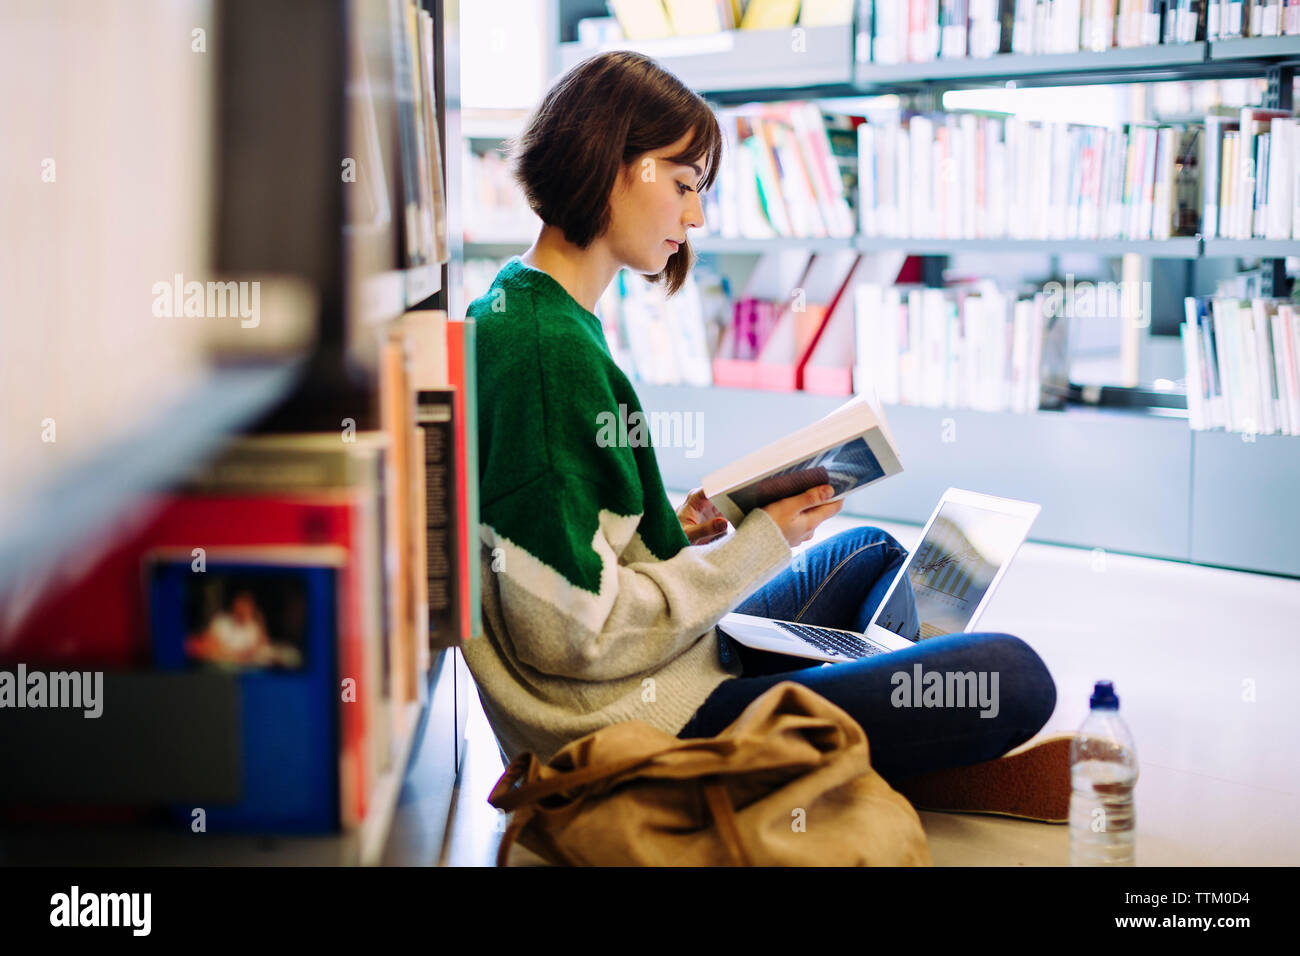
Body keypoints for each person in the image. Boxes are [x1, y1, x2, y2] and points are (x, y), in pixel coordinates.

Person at [464, 50, 1061, 816]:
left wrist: (678, 531)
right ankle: (863, 737)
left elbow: (565, 529)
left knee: (867, 546)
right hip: (639, 722)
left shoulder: (526, 309)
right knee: (1008, 676)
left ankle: (856, 718)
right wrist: (754, 544)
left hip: (659, 670)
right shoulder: (548, 353)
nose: (696, 216)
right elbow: (569, 636)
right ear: (614, 167)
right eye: (683, 185)